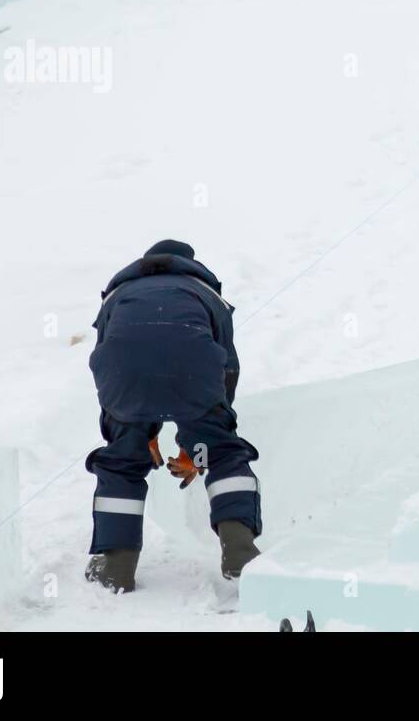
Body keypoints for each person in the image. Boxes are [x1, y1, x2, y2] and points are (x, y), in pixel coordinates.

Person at [84, 240, 262, 592]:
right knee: (224, 455)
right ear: (188, 264)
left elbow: (112, 359)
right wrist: (203, 442)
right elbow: (227, 369)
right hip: (194, 374)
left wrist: (134, 430)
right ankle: (240, 552)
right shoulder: (206, 294)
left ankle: (116, 564)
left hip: (124, 378)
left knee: (123, 460)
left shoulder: (118, 295)